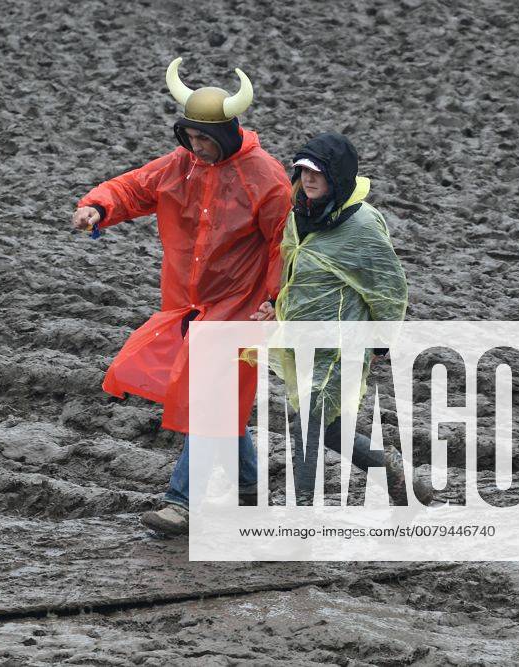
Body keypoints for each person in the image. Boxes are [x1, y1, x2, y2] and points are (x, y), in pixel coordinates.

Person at [71, 57, 292, 534]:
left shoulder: (267, 178)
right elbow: (132, 187)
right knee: (218, 398)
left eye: (205, 140)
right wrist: (96, 206)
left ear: (229, 134)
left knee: (209, 398)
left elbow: (284, 245)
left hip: (240, 310)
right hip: (186, 303)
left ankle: (181, 503)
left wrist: (275, 300)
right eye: (191, 139)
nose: (197, 148)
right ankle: (251, 490)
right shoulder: (182, 165)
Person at [256, 132, 431, 505]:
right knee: (326, 426)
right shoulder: (300, 214)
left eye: (318, 172)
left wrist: (382, 339)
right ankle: (392, 468)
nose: (308, 179)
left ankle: (301, 515)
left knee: (308, 421)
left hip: (339, 343)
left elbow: (389, 287)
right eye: (303, 170)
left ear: (338, 176)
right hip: (299, 336)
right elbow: (292, 267)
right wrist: (275, 303)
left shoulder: (362, 225)